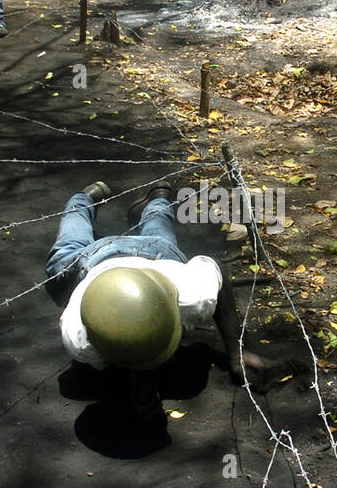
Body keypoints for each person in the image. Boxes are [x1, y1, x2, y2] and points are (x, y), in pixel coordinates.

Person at [46, 180, 267, 425]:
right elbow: (215, 269)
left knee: (75, 244)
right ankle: (151, 198)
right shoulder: (81, 338)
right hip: (118, 258)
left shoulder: (190, 295)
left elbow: (217, 272)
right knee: (148, 235)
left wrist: (238, 354)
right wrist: (136, 382)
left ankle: (89, 199)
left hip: (143, 258)